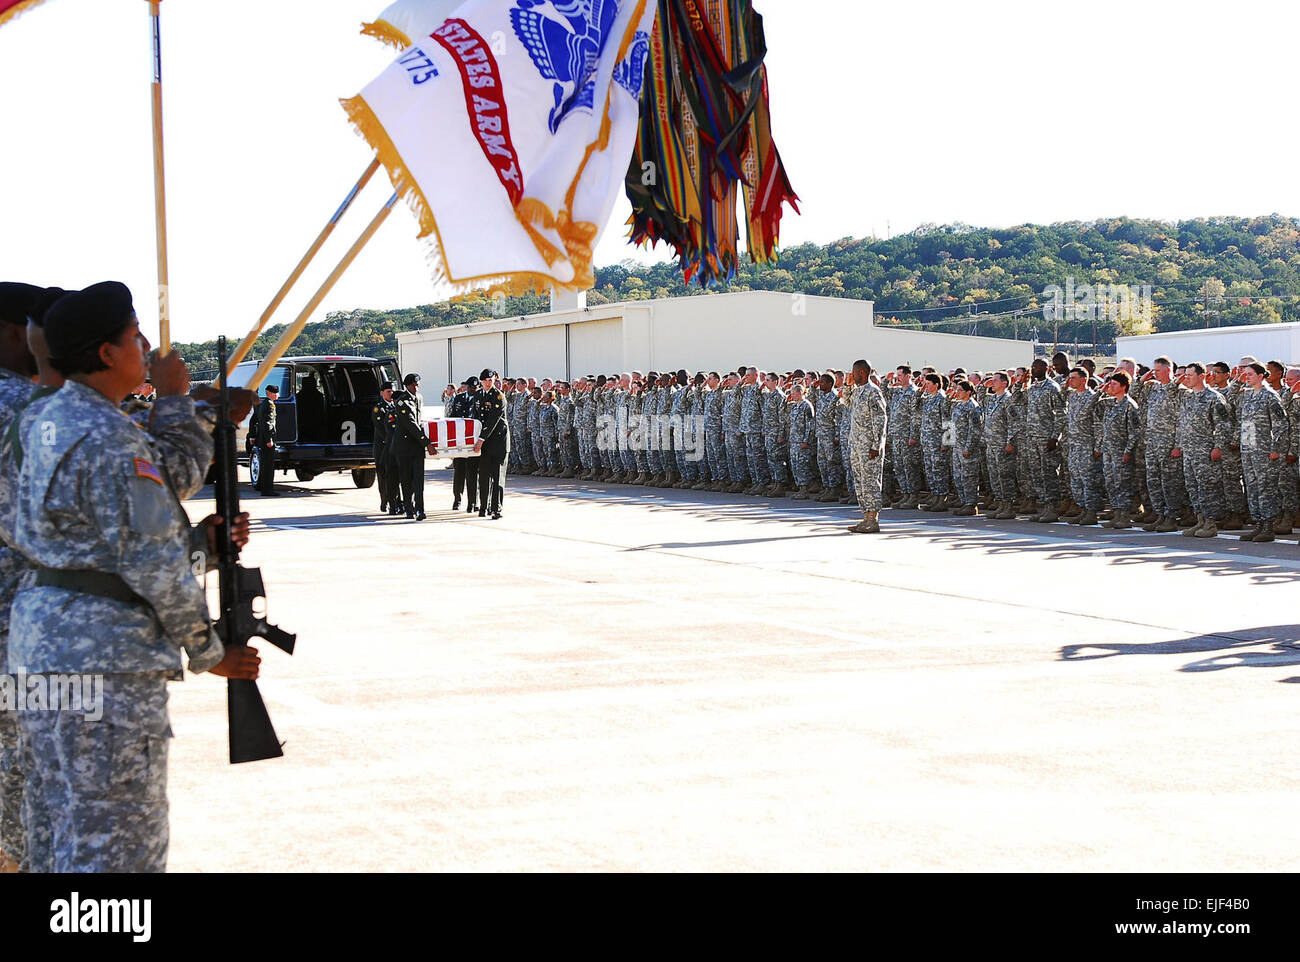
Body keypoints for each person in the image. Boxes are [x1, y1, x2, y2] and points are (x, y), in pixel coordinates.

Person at [9, 281, 260, 872]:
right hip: (104, 668)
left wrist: (201, 545)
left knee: (54, 831)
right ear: (105, 354)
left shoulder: (40, 424)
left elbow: (81, 541)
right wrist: (209, 651)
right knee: (117, 848)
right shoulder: (114, 438)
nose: (145, 348)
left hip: (36, 649)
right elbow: (155, 565)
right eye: (133, 337)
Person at [846, 360, 887, 533]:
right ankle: (866, 517)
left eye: (854, 372)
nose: (852, 375)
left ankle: (872, 519)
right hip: (857, 445)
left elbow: (880, 420)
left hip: (869, 446)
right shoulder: (858, 391)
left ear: (862, 372)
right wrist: (848, 387)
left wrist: (876, 445)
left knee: (870, 482)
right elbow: (846, 402)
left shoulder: (873, 392)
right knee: (861, 482)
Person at [391, 383, 432, 520]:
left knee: (419, 481)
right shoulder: (402, 401)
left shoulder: (418, 398)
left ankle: (420, 509)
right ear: (407, 386)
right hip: (404, 447)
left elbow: (419, 421)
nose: (416, 388)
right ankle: (409, 508)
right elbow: (410, 423)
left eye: (418, 385)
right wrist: (427, 442)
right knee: (406, 479)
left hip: (417, 446)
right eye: (413, 385)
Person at [473, 369, 510, 518]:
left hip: (497, 441)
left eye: (491, 380)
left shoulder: (499, 396)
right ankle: (483, 506)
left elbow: (493, 420)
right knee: (483, 476)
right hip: (484, 442)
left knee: (497, 477)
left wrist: (480, 439)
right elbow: (476, 418)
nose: (488, 383)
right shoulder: (477, 395)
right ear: (481, 381)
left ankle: (496, 508)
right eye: (486, 380)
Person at [450, 377, 480, 512]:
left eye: (474, 388)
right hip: (459, 442)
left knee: (473, 472)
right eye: (470, 387)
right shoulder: (459, 398)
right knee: (459, 472)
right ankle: (457, 499)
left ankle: (473, 502)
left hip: (473, 441)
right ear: (466, 387)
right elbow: (452, 417)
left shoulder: (480, 398)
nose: (472, 390)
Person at [372, 381, 398, 513]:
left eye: (392, 391)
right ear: (382, 393)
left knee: (394, 475)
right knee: (383, 475)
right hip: (382, 447)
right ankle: (384, 500)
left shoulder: (396, 406)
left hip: (394, 447)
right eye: (388, 391)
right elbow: (381, 428)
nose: (391, 394)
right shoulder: (379, 408)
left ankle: (396, 501)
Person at [253, 383, 279, 496]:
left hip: (262, 439)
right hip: (267, 440)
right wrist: (269, 439)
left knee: (265, 464)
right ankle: (268, 490)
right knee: (268, 465)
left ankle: (265, 488)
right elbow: (268, 423)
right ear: (270, 393)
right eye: (276, 392)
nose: (278, 395)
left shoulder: (263, 404)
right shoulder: (269, 405)